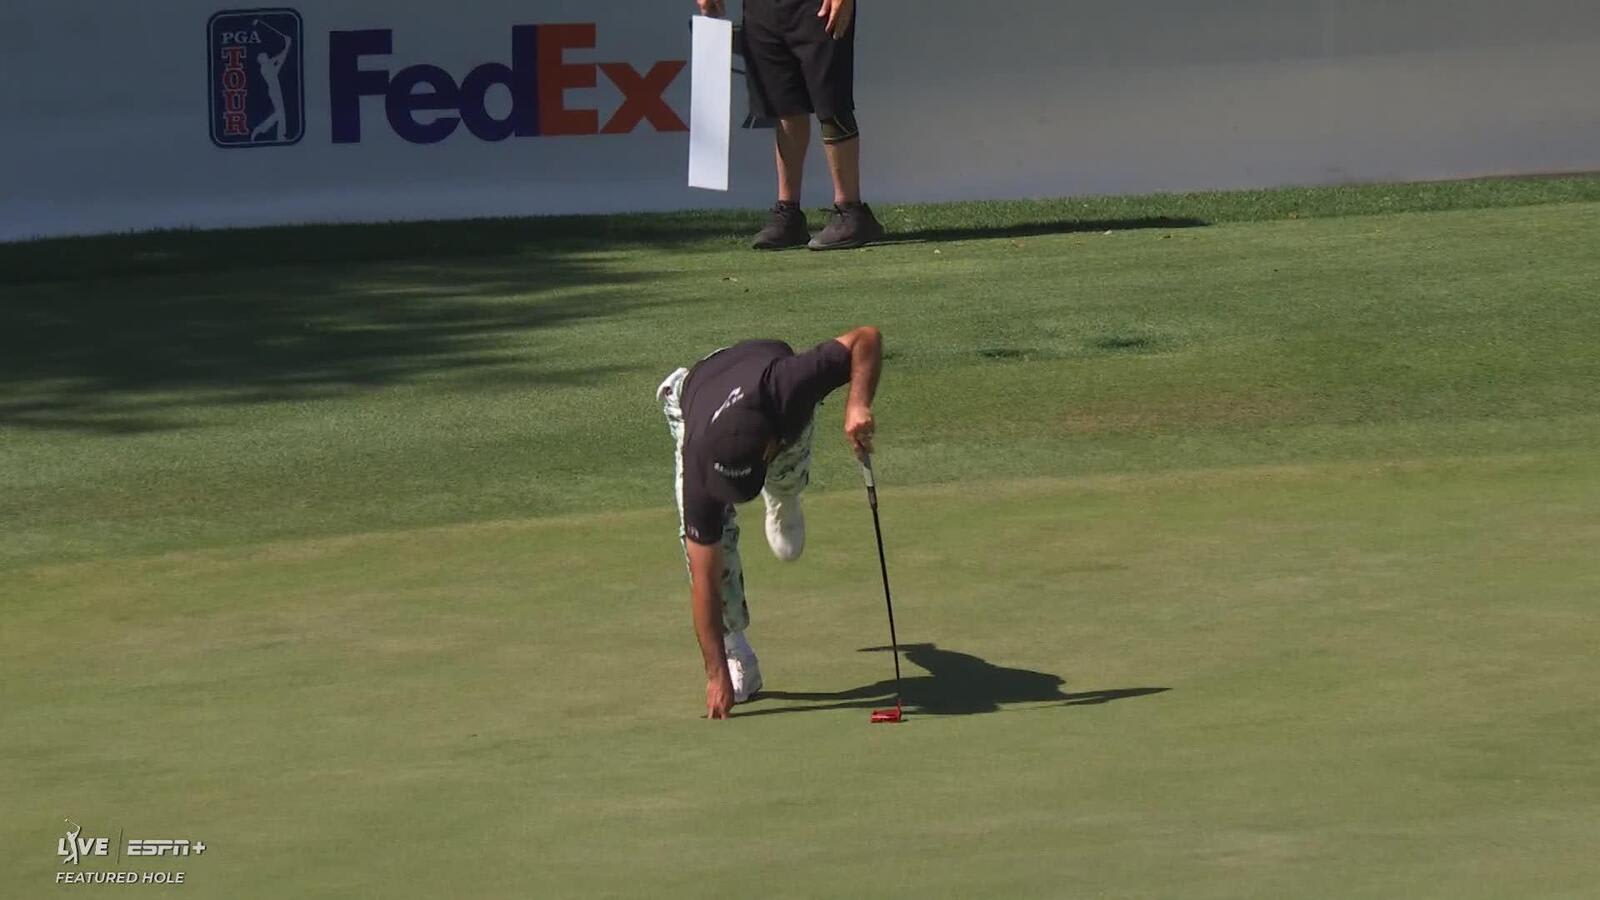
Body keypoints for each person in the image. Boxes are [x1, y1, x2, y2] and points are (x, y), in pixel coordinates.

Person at [656, 326, 883, 719]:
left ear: (765, 449)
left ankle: (783, 494)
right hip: (696, 401)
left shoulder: (790, 383)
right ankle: (736, 648)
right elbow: (704, 578)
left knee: (789, 470)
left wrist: (857, 404)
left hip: (765, 379)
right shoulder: (699, 459)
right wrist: (715, 674)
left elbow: (867, 338)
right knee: (711, 540)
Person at [696, 0, 885, 251]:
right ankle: (788, 213)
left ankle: (851, 211)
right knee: (785, 105)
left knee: (831, 104)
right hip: (761, 9)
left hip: (818, 6)